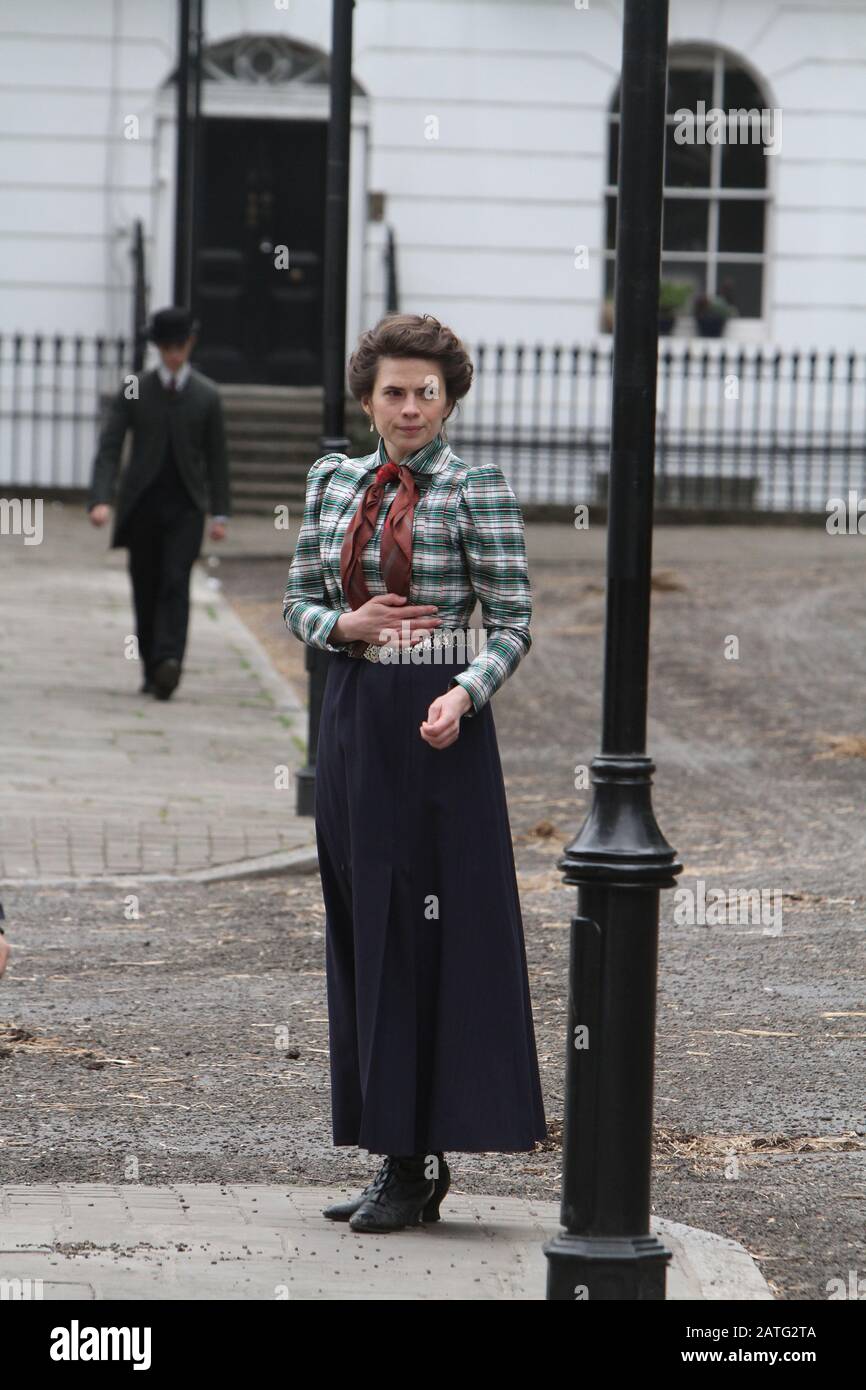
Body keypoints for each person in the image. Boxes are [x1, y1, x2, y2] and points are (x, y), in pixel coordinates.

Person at [283, 312, 547, 1234]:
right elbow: (297, 600)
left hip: (438, 726)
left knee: (433, 932)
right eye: (393, 391)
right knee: (364, 927)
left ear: (449, 399)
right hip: (355, 716)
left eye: (425, 392)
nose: (409, 407)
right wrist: (342, 628)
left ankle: (422, 1156)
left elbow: (511, 619)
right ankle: (391, 1147)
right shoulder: (332, 480)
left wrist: (465, 693)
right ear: (367, 399)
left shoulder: (479, 490)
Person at [87, 307, 231, 699]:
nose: (173, 354)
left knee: (175, 582)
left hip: (185, 507)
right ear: (157, 348)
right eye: (166, 347)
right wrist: (101, 498)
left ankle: (170, 662)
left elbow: (217, 458)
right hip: (143, 507)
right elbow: (110, 446)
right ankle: (151, 665)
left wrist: (219, 512)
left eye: (179, 346)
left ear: (190, 344)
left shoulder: (206, 394)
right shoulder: (135, 388)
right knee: (146, 586)